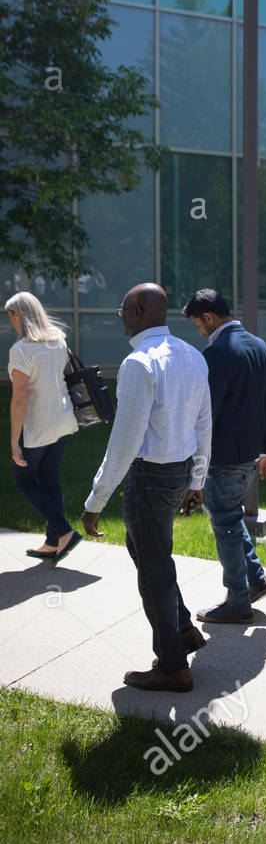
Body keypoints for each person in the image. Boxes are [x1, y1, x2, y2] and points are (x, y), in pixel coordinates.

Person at [81, 283, 211, 693]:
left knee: (153, 570)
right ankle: (185, 631)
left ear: (137, 313)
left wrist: (94, 501)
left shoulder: (139, 364)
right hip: (178, 473)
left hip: (151, 477)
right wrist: (197, 480)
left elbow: (124, 442)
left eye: (123, 309)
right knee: (151, 556)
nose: (119, 315)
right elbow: (204, 424)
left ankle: (172, 666)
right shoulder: (191, 355)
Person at [182, 289, 266, 624]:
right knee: (231, 519)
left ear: (208, 317)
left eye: (198, 324)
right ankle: (256, 579)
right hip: (250, 453)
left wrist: (192, 458)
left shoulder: (218, 352)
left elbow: (206, 413)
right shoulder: (259, 346)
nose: (199, 331)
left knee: (224, 524)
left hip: (222, 456)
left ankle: (237, 602)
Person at [5, 291, 80, 563]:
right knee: (50, 479)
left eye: (10, 314)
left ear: (19, 315)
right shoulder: (58, 340)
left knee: (24, 481)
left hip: (37, 427)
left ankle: (64, 532)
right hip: (62, 421)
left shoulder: (21, 349)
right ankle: (53, 542)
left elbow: (20, 398)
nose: (10, 320)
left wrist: (15, 441)